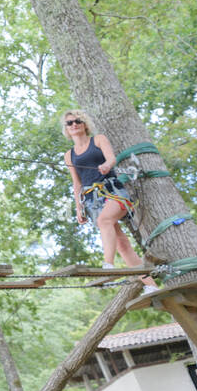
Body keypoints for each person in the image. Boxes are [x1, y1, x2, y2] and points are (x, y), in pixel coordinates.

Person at [63, 110, 157, 291]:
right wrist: (78, 208)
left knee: (104, 220)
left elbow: (111, 158)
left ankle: (108, 267)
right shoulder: (69, 155)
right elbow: (77, 183)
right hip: (92, 199)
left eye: (77, 121)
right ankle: (151, 286)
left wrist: (107, 165)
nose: (74, 124)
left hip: (113, 191)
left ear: (84, 124)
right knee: (122, 245)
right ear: (67, 129)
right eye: (70, 123)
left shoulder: (98, 140)